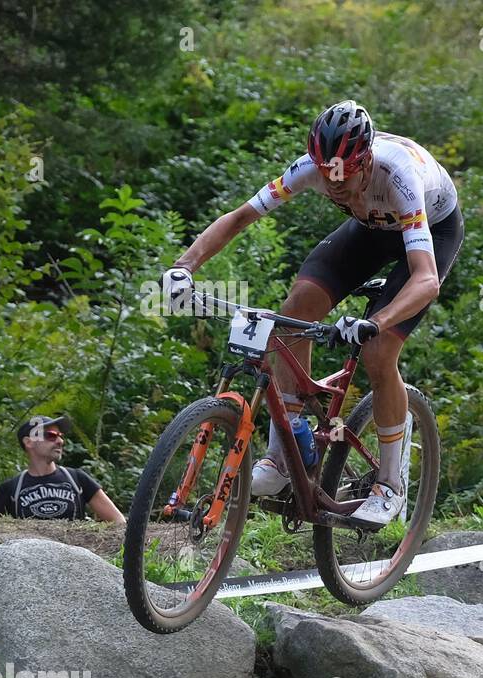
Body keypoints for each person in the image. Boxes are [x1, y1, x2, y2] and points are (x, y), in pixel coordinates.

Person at [161, 100, 463, 527]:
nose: (334, 184)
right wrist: (184, 266)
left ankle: (391, 484)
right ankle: (286, 458)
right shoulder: (313, 168)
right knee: (291, 315)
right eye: (326, 175)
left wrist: (373, 322)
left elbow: (426, 280)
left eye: (344, 174)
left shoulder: (399, 177)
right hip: (371, 227)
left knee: (378, 352)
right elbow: (241, 217)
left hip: (431, 229)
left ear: (367, 159)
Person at [0, 416, 125, 524]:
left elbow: (118, 521)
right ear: (29, 442)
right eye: (51, 435)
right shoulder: (11, 488)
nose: (60, 441)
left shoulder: (77, 479)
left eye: (60, 435)